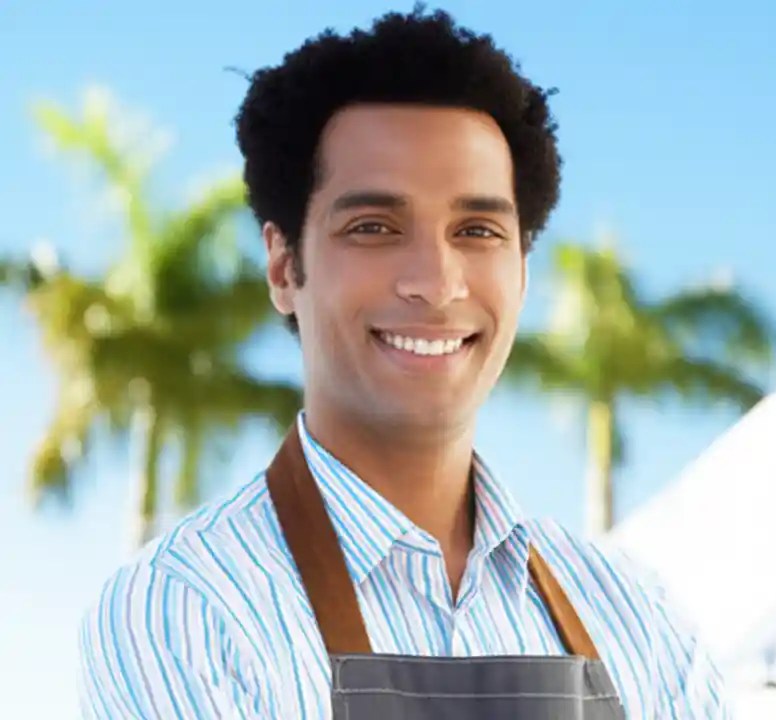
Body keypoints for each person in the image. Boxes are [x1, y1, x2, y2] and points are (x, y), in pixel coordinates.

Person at [77, 7, 729, 718]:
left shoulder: (640, 621)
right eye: (374, 228)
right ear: (283, 264)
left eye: (477, 230)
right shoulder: (190, 609)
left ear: (522, 270)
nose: (436, 280)